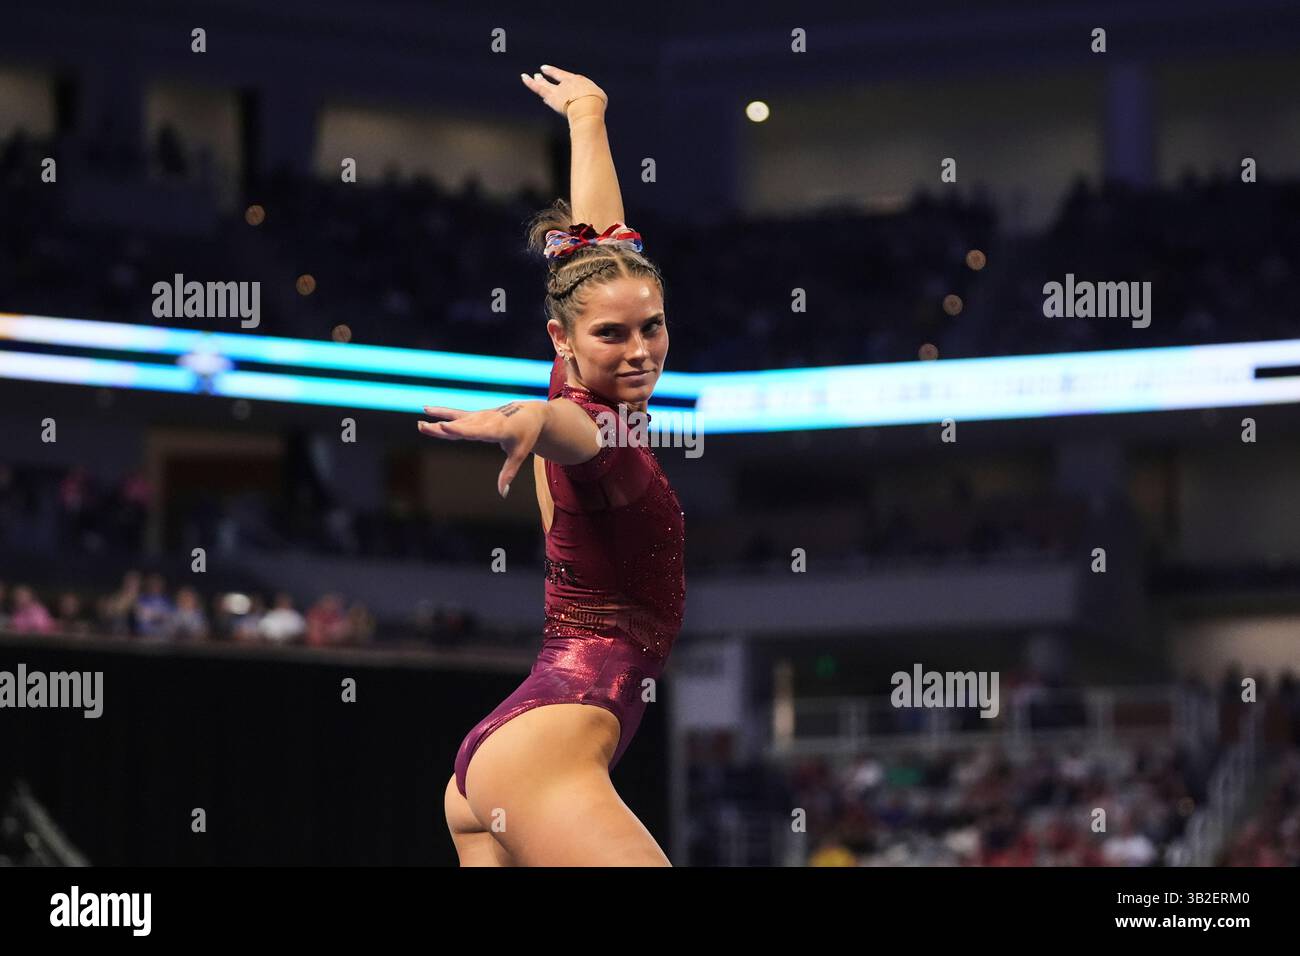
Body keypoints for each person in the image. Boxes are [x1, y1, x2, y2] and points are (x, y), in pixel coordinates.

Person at [423, 65, 684, 866]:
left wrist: (586, 115)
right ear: (562, 342)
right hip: (544, 753)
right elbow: (572, 432)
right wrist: (529, 420)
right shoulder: (594, 430)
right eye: (614, 335)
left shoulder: (589, 366)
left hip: (514, 755)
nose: (640, 349)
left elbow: (600, 248)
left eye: (654, 327)